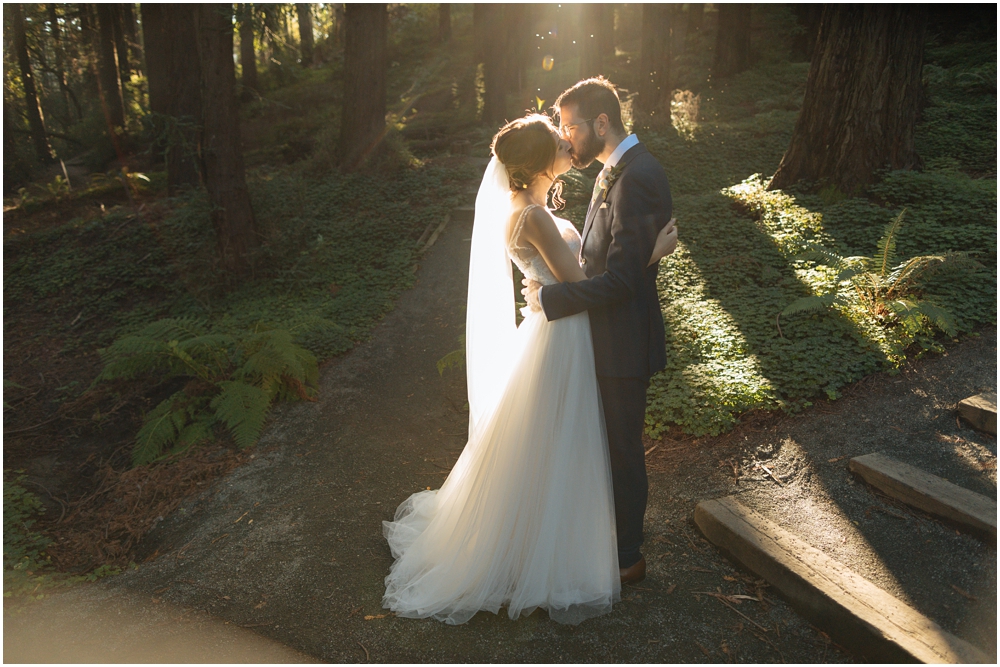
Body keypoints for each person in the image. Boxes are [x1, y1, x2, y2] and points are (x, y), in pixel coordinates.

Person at [382, 112, 677, 625]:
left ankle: (555, 536)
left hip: (555, 329)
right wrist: (651, 253)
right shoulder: (533, 216)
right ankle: (549, 551)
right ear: (540, 162)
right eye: (559, 142)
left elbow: (568, 281)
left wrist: (549, 292)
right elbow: (582, 281)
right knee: (561, 442)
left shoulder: (531, 207)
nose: (569, 144)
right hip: (563, 338)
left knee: (551, 443)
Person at [523, 77, 674, 586]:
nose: (567, 138)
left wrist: (551, 299)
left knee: (623, 450)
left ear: (602, 123)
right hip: (602, 337)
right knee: (606, 446)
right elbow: (604, 261)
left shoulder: (640, 176)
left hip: (624, 342)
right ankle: (611, 534)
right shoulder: (614, 171)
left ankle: (628, 556)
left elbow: (623, 279)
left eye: (571, 126)